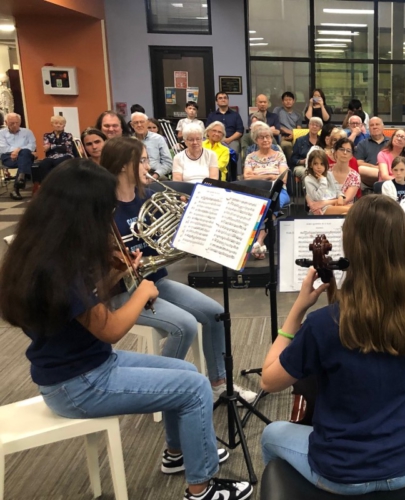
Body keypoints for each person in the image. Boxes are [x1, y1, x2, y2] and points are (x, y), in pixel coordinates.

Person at [0, 159, 253, 500]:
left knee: (185, 371)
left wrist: (115, 277)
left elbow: (83, 310)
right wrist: (144, 291)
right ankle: (201, 488)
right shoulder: (60, 269)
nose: (109, 219)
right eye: (105, 211)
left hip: (82, 365)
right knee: (195, 388)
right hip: (79, 382)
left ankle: (178, 454)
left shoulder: (44, 249)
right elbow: (111, 329)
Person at [259, 194, 405, 495]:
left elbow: (268, 379)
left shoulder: (322, 325)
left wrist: (296, 312)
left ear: (351, 248)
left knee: (271, 434)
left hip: (341, 473)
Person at [102, 137, 258, 404]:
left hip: (154, 281)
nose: (147, 166)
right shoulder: (103, 209)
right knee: (184, 326)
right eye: (141, 160)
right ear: (123, 166)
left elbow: (166, 243)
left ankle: (218, 383)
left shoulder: (148, 197)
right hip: (123, 291)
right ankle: (163, 391)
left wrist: (191, 218)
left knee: (216, 314)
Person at [244, 125, 291, 259]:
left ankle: (258, 241)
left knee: (271, 205)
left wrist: (258, 176)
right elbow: (247, 176)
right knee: (258, 206)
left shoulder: (279, 156)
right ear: (256, 140)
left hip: (277, 190)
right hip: (257, 190)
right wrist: (268, 177)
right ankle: (260, 246)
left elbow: (283, 178)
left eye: (268, 137)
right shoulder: (250, 157)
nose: (265, 139)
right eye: (261, 137)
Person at [303, 149, 351, 216]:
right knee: (352, 210)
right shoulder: (308, 179)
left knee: (352, 209)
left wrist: (340, 196)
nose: (319, 167)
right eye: (315, 164)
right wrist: (323, 181)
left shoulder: (329, 174)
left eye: (322, 164)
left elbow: (337, 188)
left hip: (334, 203)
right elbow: (317, 198)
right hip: (322, 208)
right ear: (310, 165)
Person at [0, 113, 36, 200]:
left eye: (17, 123)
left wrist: (18, 150)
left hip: (24, 155)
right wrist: (17, 151)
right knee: (26, 156)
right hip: (8, 157)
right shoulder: (1, 133)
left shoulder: (27, 132)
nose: (15, 125)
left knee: (25, 153)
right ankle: (21, 177)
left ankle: (16, 188)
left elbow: (32, 146)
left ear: (20, 122)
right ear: (6, 122)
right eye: (12, 123)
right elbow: (2, 147)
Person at [34, 115, 74, 192]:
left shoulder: (68, 135)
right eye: (56, 123)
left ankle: (59, 186)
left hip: (66, 155)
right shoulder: (47, 135)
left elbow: (66, 147)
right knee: (44, 164)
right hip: (51, 156)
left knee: (58, 162)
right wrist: (58, 146)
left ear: (64, 125)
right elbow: (46, 149)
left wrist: (51, 146)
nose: (58, 125)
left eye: (61, 123)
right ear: (52, 124)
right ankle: (46, 186)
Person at [131, 112, 172, 180]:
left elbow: (168, 163)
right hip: (136, 175)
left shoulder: (158, 139)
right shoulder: (129, 141)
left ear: (147, 123)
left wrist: (156, 175)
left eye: (142, 122)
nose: (139, 125)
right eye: (136, 123)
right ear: (132, 125)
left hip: (156, 174)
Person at [206, 92, 244, 157]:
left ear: (228, 100)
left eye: (225, 98)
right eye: (220, 98)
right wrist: (217, 140)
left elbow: (240, 131)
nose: (223, 100)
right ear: (216, 102)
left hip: (232, 141)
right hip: (215, 141)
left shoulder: (235, 115)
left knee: (232, 154)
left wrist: (229, 139)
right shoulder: (212, 116)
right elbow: (208, 130)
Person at [355, 117, 389, 186]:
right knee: (360, 169)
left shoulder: (391, 143)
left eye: (377, 124)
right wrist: (376, 167)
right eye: (372, 125)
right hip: (368, 180)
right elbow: (359, 163)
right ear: (369, 128)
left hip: (389, 175)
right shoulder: (362, 144)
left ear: (383, 127)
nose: (374, 127)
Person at [275, 91, 303, 158]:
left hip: (294, 136)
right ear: (282, 101)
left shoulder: (298, 114)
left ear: (293, 101)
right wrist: (286, 131)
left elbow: (299, 129)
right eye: (286, 100)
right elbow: (275, 124)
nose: (288, 102)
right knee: (286, 145)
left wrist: (293, 135)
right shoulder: (277, 110)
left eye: (290, 100)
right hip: (282, 136)